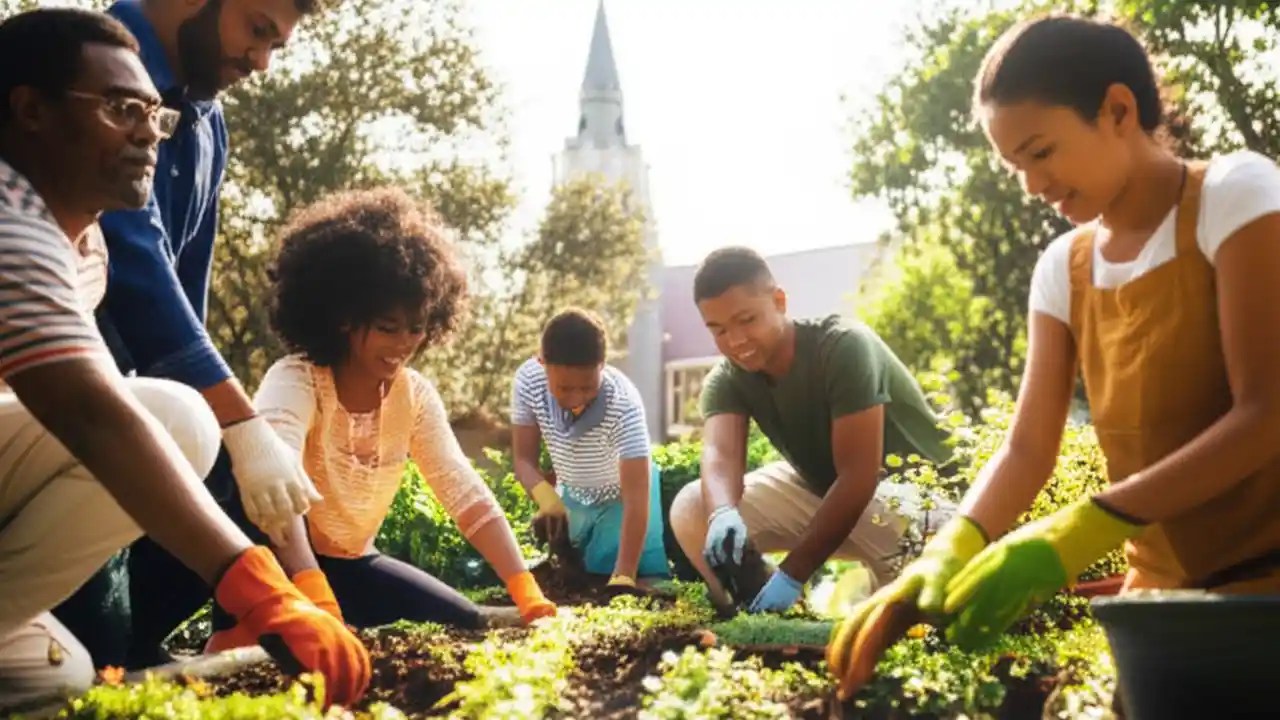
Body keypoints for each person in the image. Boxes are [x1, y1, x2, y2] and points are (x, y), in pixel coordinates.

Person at [827, 14, 1280, 697]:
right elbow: (1026, 450)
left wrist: (1080, 529)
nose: (1032, 184)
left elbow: (1267, 412)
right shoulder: (1063, 268)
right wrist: (953, 548)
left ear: (1118, 110)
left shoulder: (1234, 195)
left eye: (1042, 152)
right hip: (1161, 605)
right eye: (1015, 167)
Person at [0, 8, 368, 712]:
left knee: (60, 677)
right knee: (173, 419)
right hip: (74, 413)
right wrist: (259, 588)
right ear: (30, 111)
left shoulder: (88, 243)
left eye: (151, 113)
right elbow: (87, 410)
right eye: (119, 109)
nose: (147, 129)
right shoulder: (11, 224)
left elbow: (174, 333)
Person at [52, 0, 326, 668]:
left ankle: (132, 644)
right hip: (65, 373)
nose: (261, 62)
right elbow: (134, 259)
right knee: (181, 429)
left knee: (228, 466)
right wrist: (233, 417)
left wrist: (236, 426)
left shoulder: (208, 124)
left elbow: (184, 289)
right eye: (257, 31)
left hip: (143, 379)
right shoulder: (91, 72)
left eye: (276, 47)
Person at [202, 187, 557, 653]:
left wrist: (524, 588)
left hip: (351, 564)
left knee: (464, 621)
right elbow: (275, 490)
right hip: (277, 560)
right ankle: (236, 633)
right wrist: (315, 597)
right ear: (346, 317)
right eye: (388, 328)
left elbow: (463, 491)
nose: (404, 344)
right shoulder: (296, 378)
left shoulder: (415, 395)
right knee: (273, 651)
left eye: (417, 328)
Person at [667, 247, 957, 615]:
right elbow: (720, 456)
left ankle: (884, 609)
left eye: (746, 320)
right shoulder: (729, 377)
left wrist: (793, 573)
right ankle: (764, 617)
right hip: (832, 494)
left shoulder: (843, 347)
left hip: (923, 506)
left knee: (902, 628)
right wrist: (722, 512)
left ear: (779, 301)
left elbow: (859, 476)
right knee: (693, 506)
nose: (735, 340)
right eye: (719, 329)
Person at [511, 308, 670, 589]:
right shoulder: (528, 382)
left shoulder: (624, 404)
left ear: (603, 365)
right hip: (574, 493)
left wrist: (625, 575)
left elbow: (637, 496)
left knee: (632, 577)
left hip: (624, 499)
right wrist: (547, 498)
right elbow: (524, 460)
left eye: (587, 387)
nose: (576, 398)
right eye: (564, 388)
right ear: (542, 363)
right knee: (572, 578)